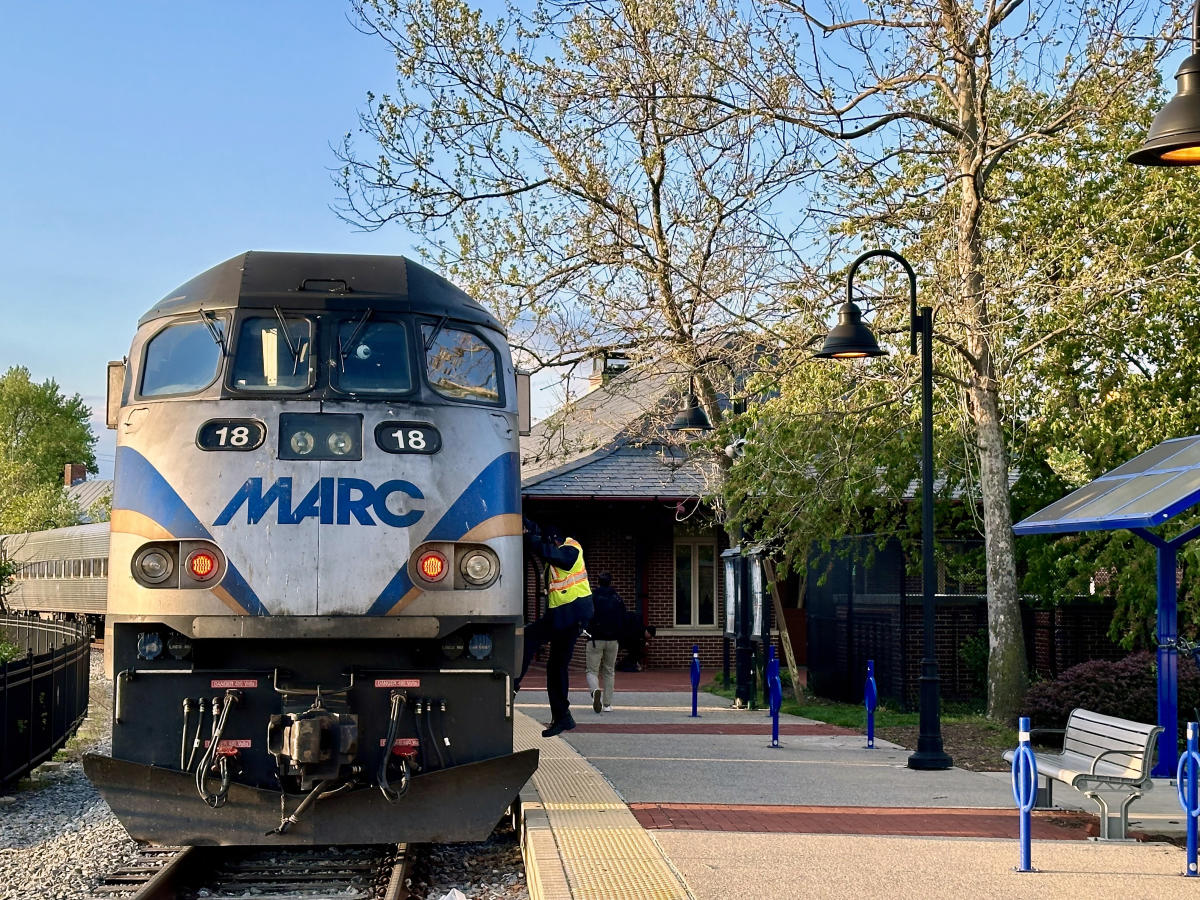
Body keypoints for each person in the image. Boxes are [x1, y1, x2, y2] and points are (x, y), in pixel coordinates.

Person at [515, 518, 594, 737]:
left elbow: (558, 557)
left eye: (549, 543)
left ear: (554, 540)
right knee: (556, 666)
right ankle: (562, 717)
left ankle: (513, 684)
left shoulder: (571, 548)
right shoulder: (553, 560)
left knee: (529, 637)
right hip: (564, 616)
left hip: (570, 613)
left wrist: (529, 538)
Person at [584, 573, 627, 713]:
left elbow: (586, 615)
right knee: (609, 671)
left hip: (595, 639)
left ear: (598, 582)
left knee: (592, 670)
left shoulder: (592, 597)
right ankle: (607, 704)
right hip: (613, 640)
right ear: (610, 582)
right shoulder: (617, 598)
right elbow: (623, 617)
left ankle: (595, 691)